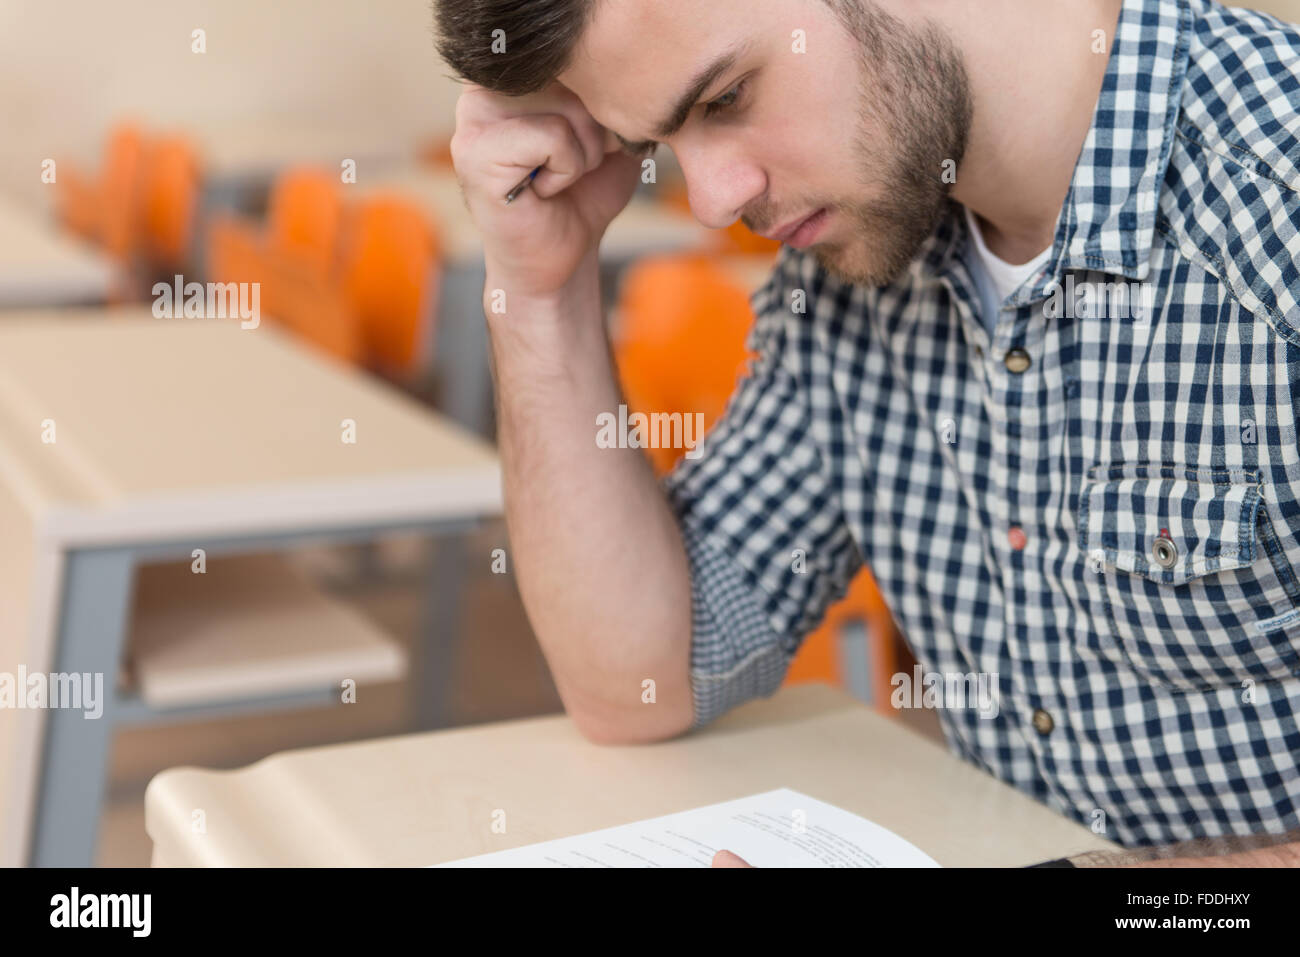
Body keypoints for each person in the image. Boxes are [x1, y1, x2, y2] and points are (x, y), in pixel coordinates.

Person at [434, 0, 1300, 863]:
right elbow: (640, 682)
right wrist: (541, 287)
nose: (710, 200)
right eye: (654, 146)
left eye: (728, 97)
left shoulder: (1277, 189)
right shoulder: (861, 269)